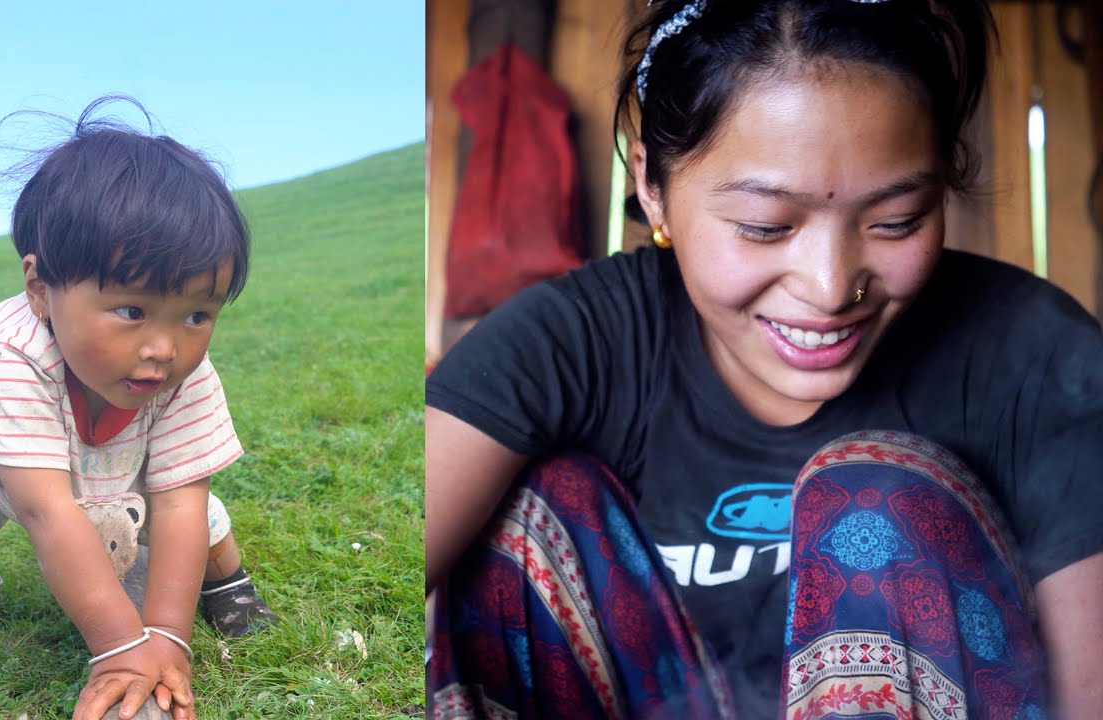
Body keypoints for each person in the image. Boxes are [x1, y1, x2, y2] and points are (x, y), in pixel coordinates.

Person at [425, 1, 1103, 718]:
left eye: (895, 221)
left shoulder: (1032, 353)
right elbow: (369, 573)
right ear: (654, 186)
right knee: (530, 505)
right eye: (765, 226)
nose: (831, 285)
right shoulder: (571, 342)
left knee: (874, 498)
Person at [0, 96, 276, 720]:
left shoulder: (185, 372)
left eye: (197, 314)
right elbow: (46, 511)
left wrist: (166, 636)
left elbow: (181, 495)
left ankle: (228, 581)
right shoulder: (3, 358)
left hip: (114, 442)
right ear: (40, 289)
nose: (165, 348)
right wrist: (121, 650)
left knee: (179, 508)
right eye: (131, 310)